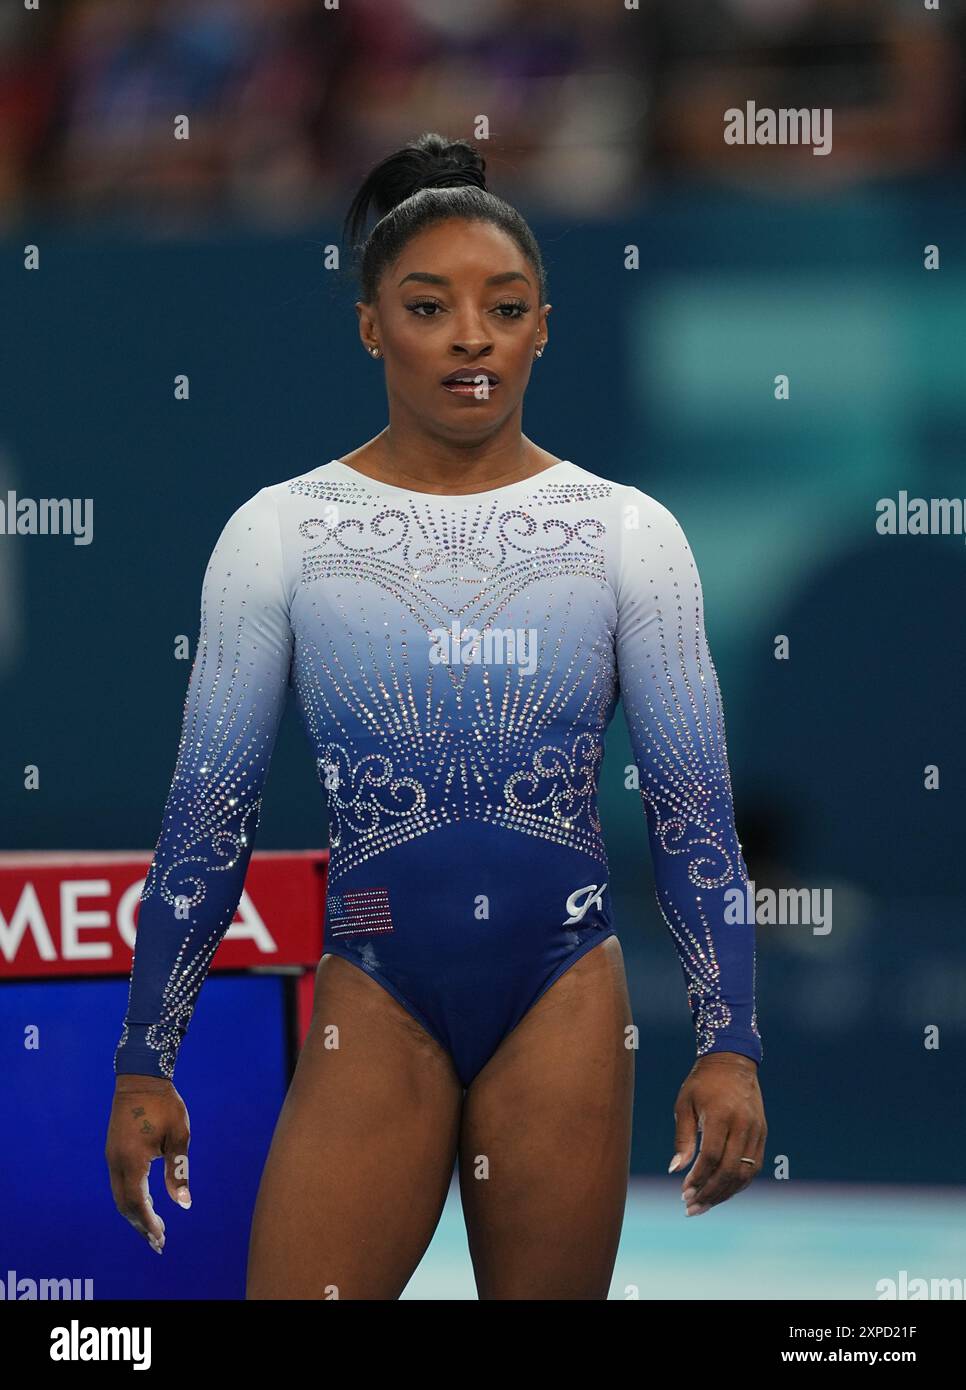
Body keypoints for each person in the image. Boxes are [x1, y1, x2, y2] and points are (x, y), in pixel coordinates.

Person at [105, 132, 766, 1300]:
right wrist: (143, 1060)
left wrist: (730, 1040)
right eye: (429, 305)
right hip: (376, 990)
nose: (471, 335)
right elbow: (207, 820)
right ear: (371, 324)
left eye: (504, 306)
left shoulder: (628, 536)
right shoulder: (283, 533)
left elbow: (692, 815)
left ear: (543, 326)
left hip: (561, 993)